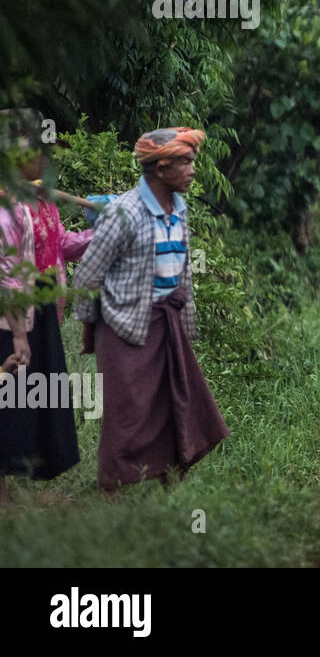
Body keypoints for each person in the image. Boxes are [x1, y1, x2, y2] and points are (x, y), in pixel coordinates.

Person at [72, 127, 229, 492]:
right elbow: (87, 275)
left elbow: (183, 273)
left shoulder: (180, 209)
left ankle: (171, 490)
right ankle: (110, 491)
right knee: (127, 417)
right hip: (125, 327)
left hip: (166, 324)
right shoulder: (123, 214)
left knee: (180, 406)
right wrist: (92, 330)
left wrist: (186, 327)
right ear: (160, 168)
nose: (192, 170)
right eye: (185, 162)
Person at [0, 114, 85, 500]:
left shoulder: (39, 199)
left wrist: (101, 231)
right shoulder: (6, 204)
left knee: (32, 399)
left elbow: (62, 242)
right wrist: (19, 334)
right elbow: (8, 274)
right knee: (7, 402)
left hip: (42, 309)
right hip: (12, 316)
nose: (46, 162)